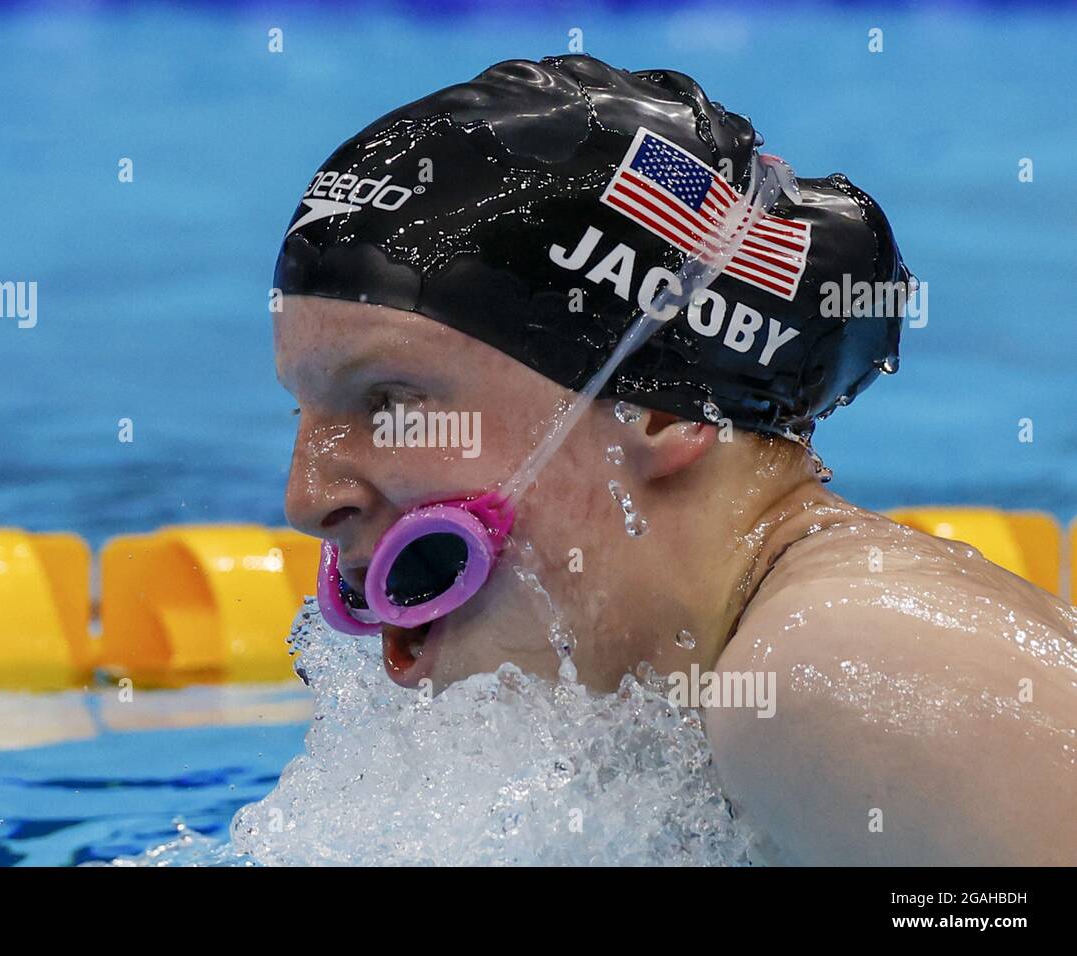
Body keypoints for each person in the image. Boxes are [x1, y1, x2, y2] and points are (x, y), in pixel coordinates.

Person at [272, 55, 1077, 864]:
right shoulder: (718, 697)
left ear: (657, 408)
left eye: (393, 404)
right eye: (303, 411)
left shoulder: (842, 671)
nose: (306, 496)